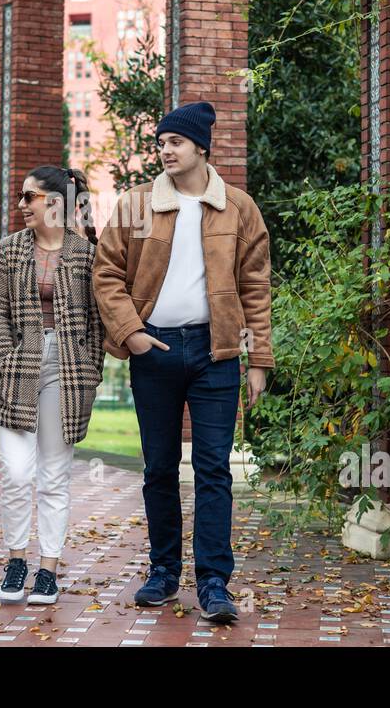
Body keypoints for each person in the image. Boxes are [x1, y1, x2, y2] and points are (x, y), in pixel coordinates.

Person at [92, 101, 273, 623]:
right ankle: (163, 572)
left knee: (214, 468)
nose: (165, 150)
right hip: (157, 351)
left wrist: (257, 357)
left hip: (217, 355)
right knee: (158, 468)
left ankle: (214, 582)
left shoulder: (239, 207)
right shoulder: (135, 204)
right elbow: (106, 275)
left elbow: (256, 286)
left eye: (174, 142)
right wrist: (134, 335)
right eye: (161, 142)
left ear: (200, 147)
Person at [0, 167, 105, 605]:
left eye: (29, 197)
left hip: (68, 370)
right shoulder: (10, 249)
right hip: (19, 366)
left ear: (54, 202)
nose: (21, 205)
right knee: (17, 472)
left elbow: (98, 322)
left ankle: (48, 569)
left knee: (54, 476)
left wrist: (90, 372)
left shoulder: (87, 253)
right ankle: (16, 560)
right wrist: (3, 358)